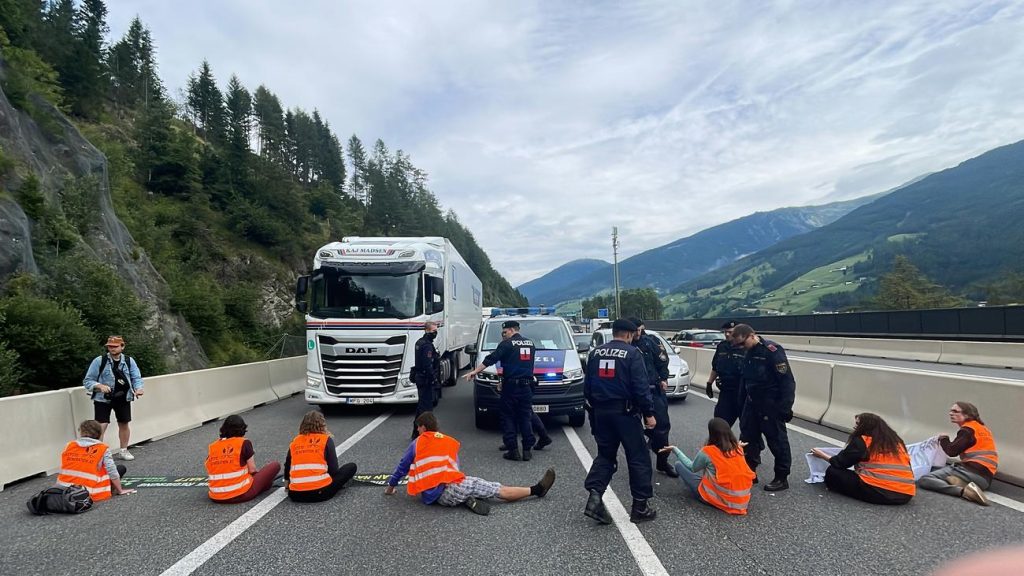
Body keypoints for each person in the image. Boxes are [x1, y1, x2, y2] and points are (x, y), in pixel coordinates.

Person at [384, 412, 555, 516]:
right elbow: (456, 468)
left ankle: (466, 498)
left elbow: (402, 467)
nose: (418, 430)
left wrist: (390, 488)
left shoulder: (417, 443)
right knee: (497, 489)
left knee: (474, 487)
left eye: (418, 427)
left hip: (432, 495)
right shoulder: (447, 441)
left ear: (422, 427)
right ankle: (537, 490)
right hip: (448, 489)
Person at [583, 318, 657, 525]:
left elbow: (587, 386)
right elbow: (640, 387)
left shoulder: (595, 353)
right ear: (629, 334)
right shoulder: (633, 354)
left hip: (600, 413)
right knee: (638, 458)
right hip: (625, 414)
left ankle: (595, 497)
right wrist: (649, 414)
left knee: (605, 456)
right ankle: (640, 507)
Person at [732, 323, 795, 492]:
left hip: (770, 405)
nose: (741, 348)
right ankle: (750, 471)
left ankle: (781, 477)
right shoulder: (748, 353)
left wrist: (786, 407)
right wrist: (741, 403)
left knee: (777, 441)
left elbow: (787, 381)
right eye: (738, 345)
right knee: (747, 438)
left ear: (752, 336)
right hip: (751, 403)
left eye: (742, 343)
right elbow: (745, 381)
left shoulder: (772, 351)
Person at [463, 319, 537, 461]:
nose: (503, 335)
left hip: (511, 387)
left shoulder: (507, 344)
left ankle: (513, 450)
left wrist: (474, 372)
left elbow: (490, 359)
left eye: (505, 332)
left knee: (508, 416)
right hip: (526, 386)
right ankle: (527, 450)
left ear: (511, 330)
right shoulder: (530, 343)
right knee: (525, 417)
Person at [810, 413, 915, 505]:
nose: (854, 427)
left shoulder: (863, 441)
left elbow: (839, 463)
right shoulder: (897, 443)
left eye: (857, 424)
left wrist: (821, 454)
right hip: (906, 494)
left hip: (880, 492)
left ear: (865, 427)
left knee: (833, 471)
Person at [659, 417, 755, 515]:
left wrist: (675, 449)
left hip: (717, 499)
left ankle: (707, 495)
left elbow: (692, 467)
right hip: (741, 502)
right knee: (714, 471)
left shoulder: (708, 451)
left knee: (678, 465)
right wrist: (738, 446)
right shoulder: (738, 449)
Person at [917, 401, 996, 506]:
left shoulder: (968, 430)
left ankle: (964, 491)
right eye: (950, 411)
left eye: (955, 411)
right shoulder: (983, 429)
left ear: (967, 415)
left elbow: (952, 451)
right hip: (985, 481)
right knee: (943, 472)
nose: (950, 413)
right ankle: (962, 483)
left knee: (925, 479)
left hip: (970, 471)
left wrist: (944, 439)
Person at [82, 336, 144, 461]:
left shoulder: (128, 361)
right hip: (103, 398)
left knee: (124, 423)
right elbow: (88, 381)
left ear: (122, 346)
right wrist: (99, 386)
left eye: (115, 346)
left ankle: (123, 450)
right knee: (101, 425)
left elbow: (136, 377)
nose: (112, 349)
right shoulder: (100, 361)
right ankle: (98, 453)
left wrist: (138, 388)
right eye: (110, 346)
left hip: (123, 396)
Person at [630, 318, 675, 478]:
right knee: (633, 430)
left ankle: (662, 462)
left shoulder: (650, 342)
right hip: (632, 393)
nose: (637, 333)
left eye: (639, 329)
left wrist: (663, 378)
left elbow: (662, 360)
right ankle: (638, 466)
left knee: (662, 427)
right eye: (634, 330)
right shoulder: (625, 346)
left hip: (653, 389)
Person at [205, 415, 281, 503]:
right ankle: (266, 485)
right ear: (243, 429)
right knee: (275, 465)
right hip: (240, 494)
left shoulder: (213, 446)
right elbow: (252, 469)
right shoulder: (243, 443)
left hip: (215, 496)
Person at [285, 411, 358, 503]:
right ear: (323, 425)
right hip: (320, 493)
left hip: (295, 495)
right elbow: (333, 470)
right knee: (351, 466)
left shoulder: (295, 441)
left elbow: (288, 464)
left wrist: (287, 484)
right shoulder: (325, 440)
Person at [56, 420, 136, 501]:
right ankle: (112, 488)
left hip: (62, 490)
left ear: (81, 432)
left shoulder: (69, 445)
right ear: (100, 433)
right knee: (120, 468)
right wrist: (120, 490)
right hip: (87, 492)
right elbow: (112, 471)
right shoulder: (102, 448)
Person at [706, 321, 746, 427]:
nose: (727, 334)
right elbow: (715, 367)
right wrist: (709, 383)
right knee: (719, 426)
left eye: (730, 332)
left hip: (743, 394)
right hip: (726, 393)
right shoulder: (722, 346)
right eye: (725, 332)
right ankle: (720, 443)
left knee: (748, 430)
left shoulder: (747, 348)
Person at [411, 321, 441, 438]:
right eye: (434, 331)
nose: (435, 333)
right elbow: (428, 364)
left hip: (420, 377)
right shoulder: (427, 345)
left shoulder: (419, 342)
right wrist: (434, 379)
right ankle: (426, 434)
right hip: (425, 379)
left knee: (421, 407)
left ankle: (416, 431)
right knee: (426, 409)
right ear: (427, 330)